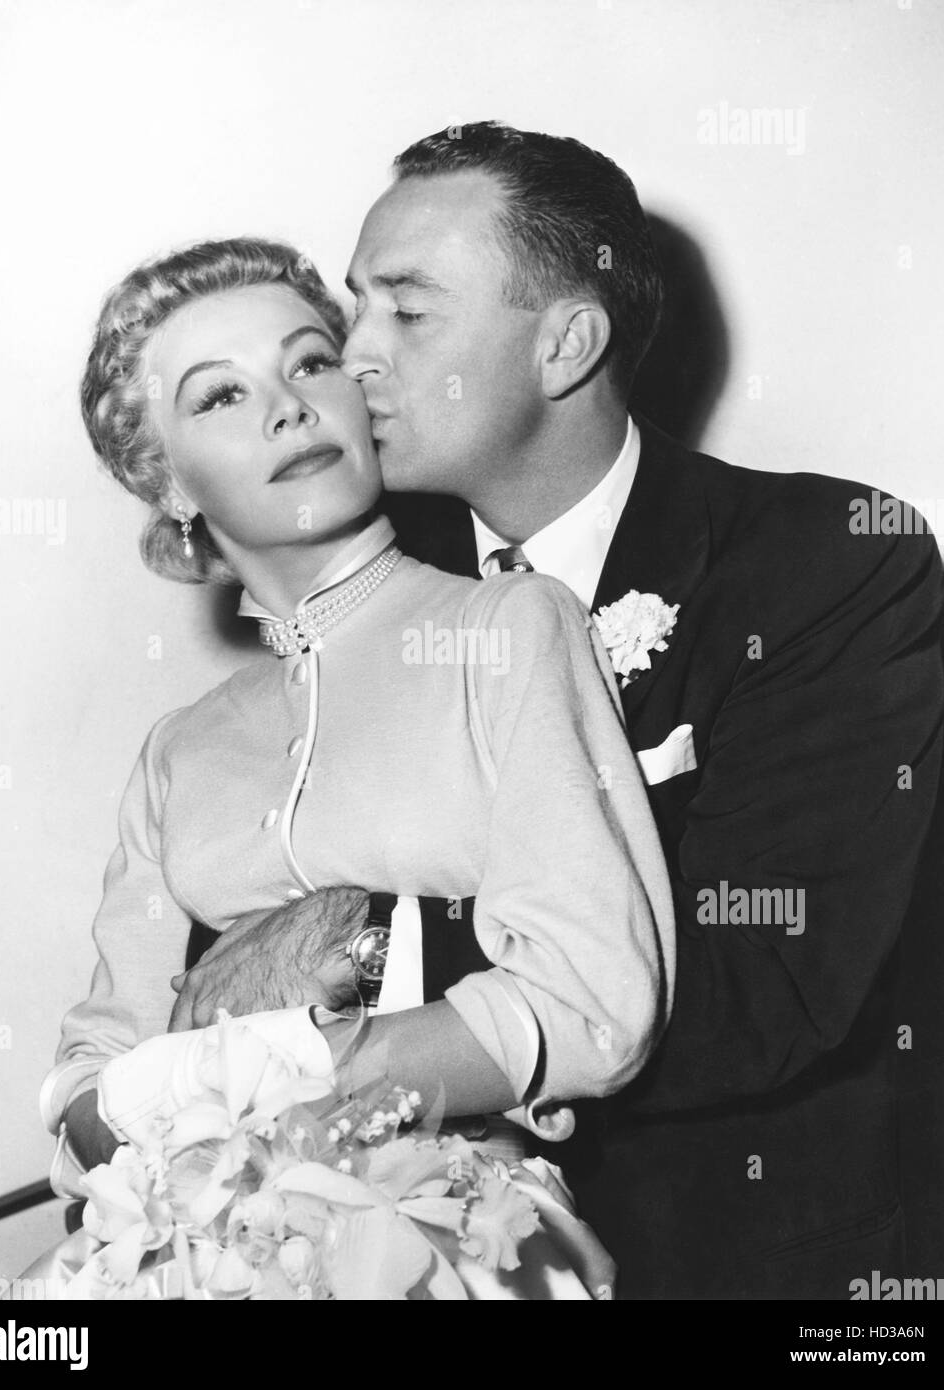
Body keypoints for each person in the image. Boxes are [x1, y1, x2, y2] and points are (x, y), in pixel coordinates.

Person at [188, 122, 944, 1299]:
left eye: (408, 311)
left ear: (566, 345)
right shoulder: (357, 579)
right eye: (353, 310)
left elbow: (773, 974)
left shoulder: (829, 564)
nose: (355, 357)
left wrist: (358, 935)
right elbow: (233, 929)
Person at [37, 235, 676, 1300]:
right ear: (168, 483)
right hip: (195, 1235)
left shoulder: (509, 627)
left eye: (309, 362)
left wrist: (255, 1053)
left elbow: (592, 1005)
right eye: (219, 397)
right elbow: (84, 1088)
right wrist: (190, 1097)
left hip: (447, 1229)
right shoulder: (178, 752)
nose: (287, 406)